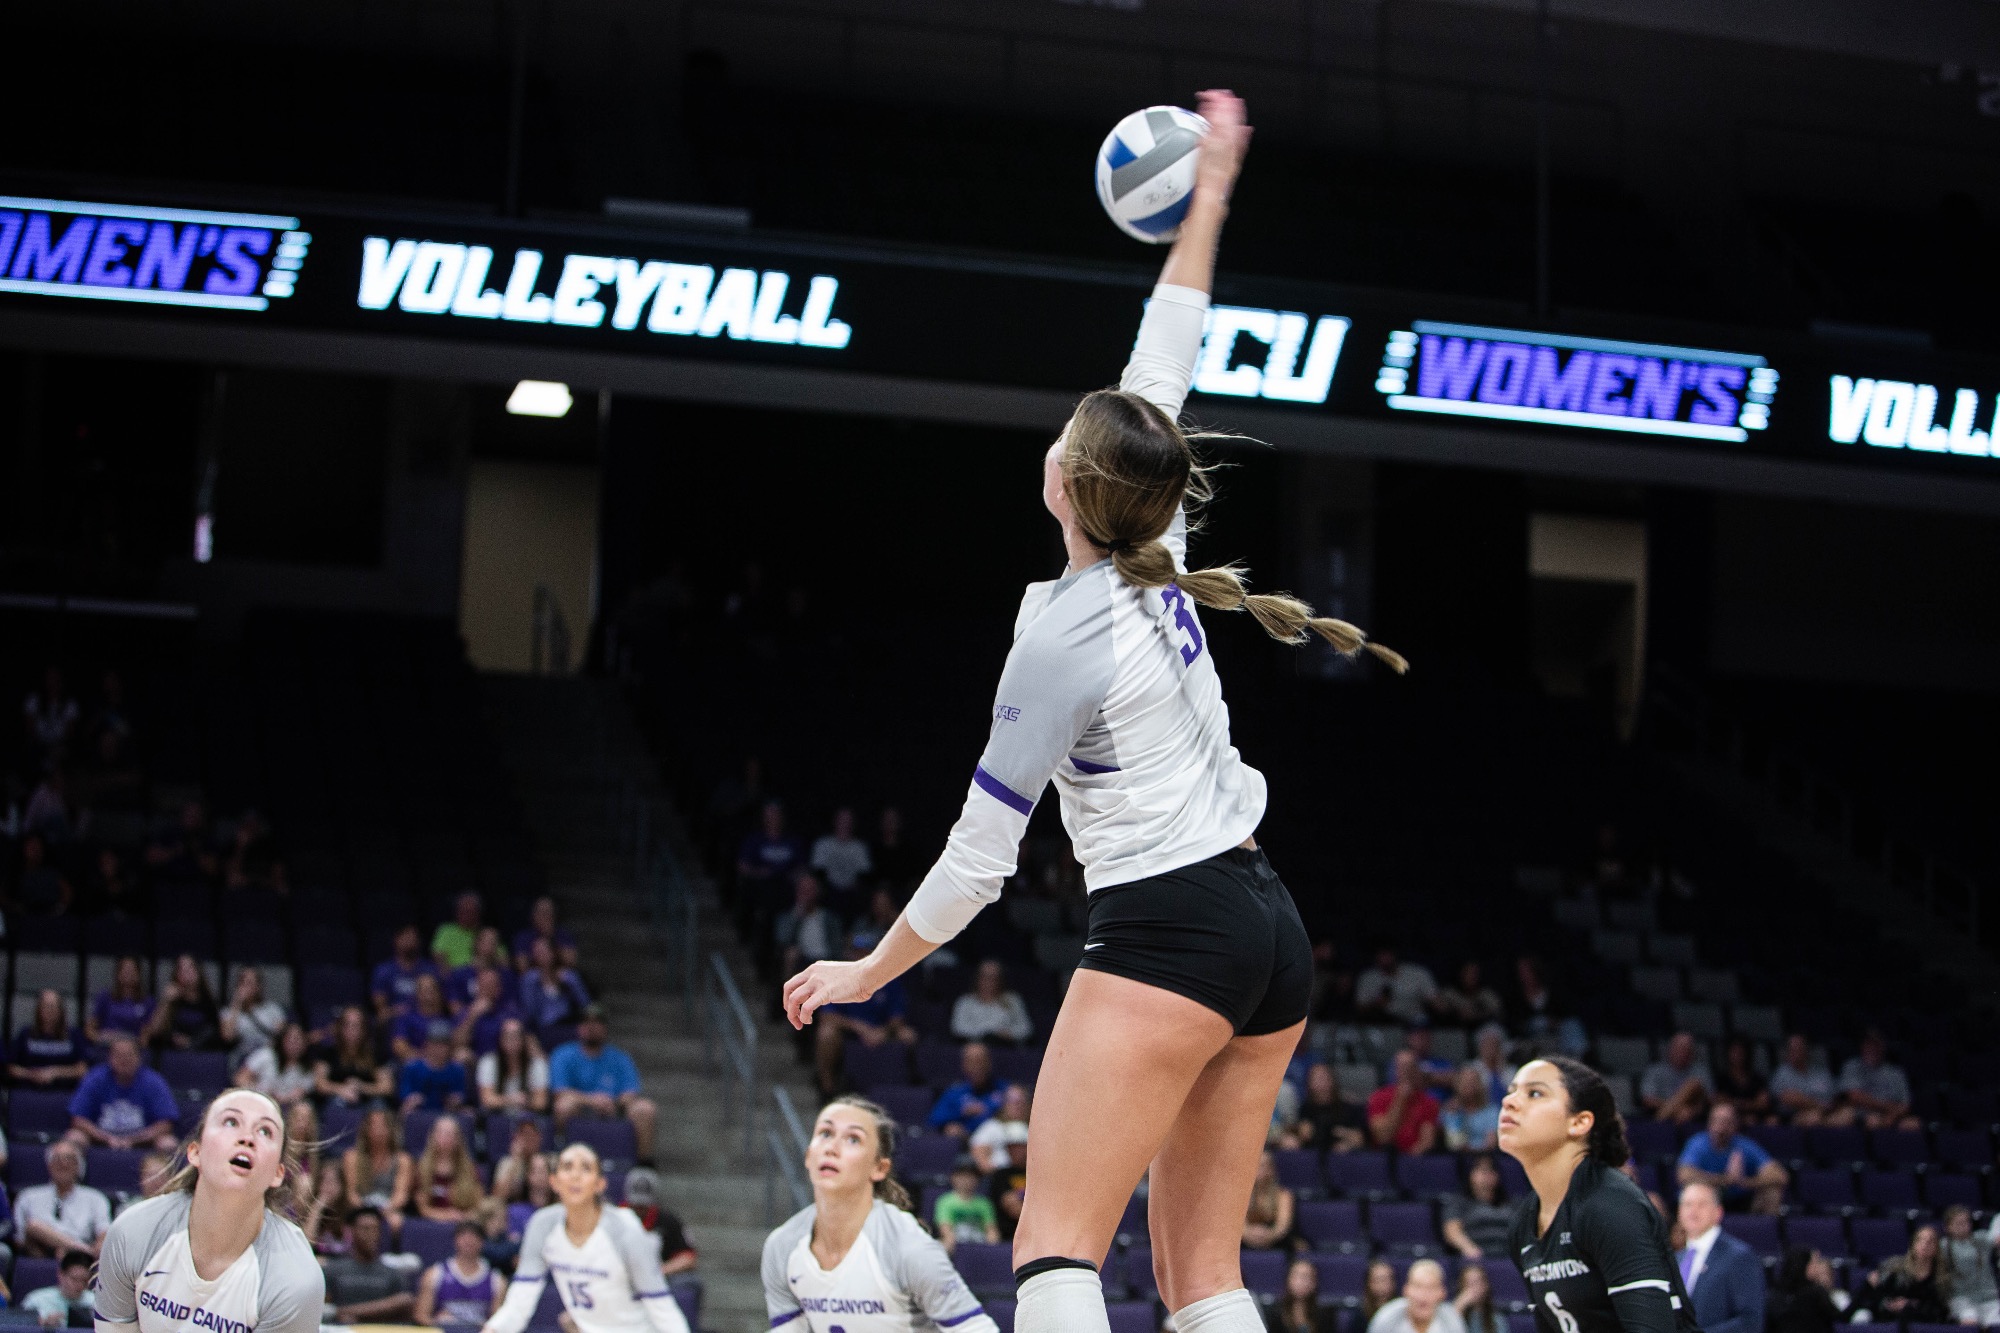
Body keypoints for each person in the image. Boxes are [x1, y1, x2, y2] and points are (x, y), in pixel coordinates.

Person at [781, 97, 1405, 1333]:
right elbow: (1168, 341)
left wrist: (866, 967)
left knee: (1056, 1250)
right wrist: (1213, 189)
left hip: (1168, 927)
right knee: (1201, 1278)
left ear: (1063, 480)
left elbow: (976, 861)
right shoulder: (1158, 531)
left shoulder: (1059, 630)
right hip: (1264, 921)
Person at [91, 1088, 323, 1333]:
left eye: (265, 1131)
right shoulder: (134, 1232)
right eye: (231, 1122)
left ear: (278, 1174)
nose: (247, 1137)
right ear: (195, 1152)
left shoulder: (294, 1277)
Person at [760, 1097, 997, 1333]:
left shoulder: (907, 1246)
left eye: (853, 1139)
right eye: (825, 1133)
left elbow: (975, 1327)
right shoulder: (782, 1245)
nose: (832, 1148)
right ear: (808, 1155)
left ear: (879, 1168)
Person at [1498, 1056, 1699, 1333]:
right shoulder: (1523, 1224)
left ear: (1579, 1123)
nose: (1509, 1102)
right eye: (1511, 1091)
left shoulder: (1610, 1204)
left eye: (1534, 1093)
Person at [478, 1142, 692, 1333]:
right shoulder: (542, 1225)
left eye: (586, 1168)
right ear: (554, 1182)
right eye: (567, 1167)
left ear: (600, 1184)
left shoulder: (625, 1230)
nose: (575, 1175)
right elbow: (519, 1302)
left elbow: (661, 1306)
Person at [810, 931, 918, 1098]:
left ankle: (908, 1087)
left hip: (880, 1031)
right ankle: (827, 1088)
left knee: (908, 1035)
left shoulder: (889, 979)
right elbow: (827, 1016)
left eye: (865, 951)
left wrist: (883, 1031)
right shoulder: (839, 979)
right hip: (850, 1032)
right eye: (857, 951)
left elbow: (897, 1018)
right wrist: (860, 1028)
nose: (860, 956)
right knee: (826, 1033)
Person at [548, 1007, 657, 1164]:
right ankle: (560, 1157)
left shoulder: (620, 1058)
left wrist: (614, 1102)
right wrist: (592, 1101)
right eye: (586, 1022)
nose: (591, 1027)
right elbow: (560, 1091)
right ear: (579, 1028)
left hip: (613, 1110)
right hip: (580, 1109)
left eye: (597, 1023)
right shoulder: (563, 1054)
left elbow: (630, 1092)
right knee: (563, 1105)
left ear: (604, 1028)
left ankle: (643, 1166)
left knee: (645, 1108)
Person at [1674, 1182, 1765, 1333]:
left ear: (1718, 1212)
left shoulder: (1739, 1257)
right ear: (1679, 1213)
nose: (1693, 1210)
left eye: (1702, 1204)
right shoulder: (1676, 1259)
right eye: (1687, 1204)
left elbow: (1750, 1322)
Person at [67, 1034, 179, 1152]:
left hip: (143, 1141)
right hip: (100, 1138)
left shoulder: (153, 1081)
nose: (124, 1060)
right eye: (118, 1055)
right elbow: (78, 1119)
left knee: (168, 1143)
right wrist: (106, 1138)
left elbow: (165, 1124)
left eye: (129, 1055)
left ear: (139, 1057)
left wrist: (133, 1140)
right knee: (74, 1137)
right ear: (110, 1057)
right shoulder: (95, 1078)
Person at [1675, 1103, 1788, 1215]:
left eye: (1726, 1122)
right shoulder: (1697, 1143)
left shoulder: (1745, 1145)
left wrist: (1745, 1182)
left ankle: (1763, 1230)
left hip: (1740, 1199)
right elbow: (1684, 1175)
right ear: (1709, 1123)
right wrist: (1724, 1180)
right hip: (1709, 1199)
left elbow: (1780, 1176)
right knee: (1691, 1192)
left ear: (1735, 1125)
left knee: (1772, 1192)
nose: (1720, 1127)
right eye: (1716, 1121)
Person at [15, 1140, 111, 1257]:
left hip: (79, 1262)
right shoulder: (28, 1196)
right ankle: (81, 1249)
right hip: (40, 1255)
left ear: (79, 1166)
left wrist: (97, 1249)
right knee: (33, 1226)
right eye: (57, 1159)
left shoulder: (95, 1198)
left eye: (69, 1159)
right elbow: (19, 1239)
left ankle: (79, 1251)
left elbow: (104, 1232)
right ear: (49, 1165)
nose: (63, 1164)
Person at [324, 1206, 418, 1323]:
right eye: (365, 1228)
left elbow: (405, 1303)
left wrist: (349, 1312)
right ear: (352, 1231)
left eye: (376, 1229)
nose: (371, 1234)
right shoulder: (334, 1269)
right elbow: (323, 1307)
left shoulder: (392, 1273)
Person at [418, 1220, 506, 1326]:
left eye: (474, 1236)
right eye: (464, 1236)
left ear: (482, 1242)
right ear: (455, 1240)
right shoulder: (434, 1274)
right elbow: (421, 1316)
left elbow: (497, 1321)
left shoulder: (496, 1280)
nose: (469, 1241)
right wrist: (439, 1324)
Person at [342, 1105, 415, 1230]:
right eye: (374, 1125)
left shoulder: (403, 1160)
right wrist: (367, 1211)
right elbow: (352, 1194)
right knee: (363, 1222)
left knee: (397, 1222)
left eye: (383, 1125)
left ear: (391, 1129)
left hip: (388, 1209)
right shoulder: (352, 1157)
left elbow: (401, 1196)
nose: (378, 1130)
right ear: (366, 1128)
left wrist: (382, 1211)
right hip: (360, 1209)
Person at [1831, 1029, 1918, 1129]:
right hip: (1859, 1115)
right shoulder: (1852, 1066)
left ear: (1883, 1047)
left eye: (1876, 1045)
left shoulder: (1896, 1073)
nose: (1872, 1049)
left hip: (1891, 1115)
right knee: (1867, 1119)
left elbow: (1905, 1104)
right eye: (1868, 1044)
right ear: (1862, 1046)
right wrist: (1887, 1107)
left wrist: (1892, 1115)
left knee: (1913, 1124)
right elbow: (1853, 1096)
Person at [923, 1042, 1012, 1139]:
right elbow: (932, 1121)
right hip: (963, 1144)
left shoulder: (1005, 1090)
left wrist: (991, 1111)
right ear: (964, 1065)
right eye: (971, 1061)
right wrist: (961, 1113)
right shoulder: (955, 1092)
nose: (976, 1066)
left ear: (989, 1063)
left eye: (980, 1061)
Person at [1865, 1223, 1950, 1324]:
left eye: (1930, 1241)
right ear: (1913, 1244)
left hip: (1925, 1320)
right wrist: (1891, 1304)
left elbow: (1940, 1308)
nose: (1925, 1245)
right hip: (1894, 1317)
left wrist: (1911, 1304)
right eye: (1920, 1240)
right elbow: (1883, 1297)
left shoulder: (1941, 1275)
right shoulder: (1897, 1269)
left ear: (1937, 1247)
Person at [620, 1169, 698, 1274]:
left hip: (661, 1276)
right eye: (636, 1205)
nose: (639, 1209)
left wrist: (659, 1272)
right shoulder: (614, 1218)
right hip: (621, 1275)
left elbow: (688, 1257)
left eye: (643, 1206)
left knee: (690, 1282)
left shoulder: (668, 1220)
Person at [313, 1004, 394, 1104]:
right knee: (334, 1102)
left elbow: (387, 1087)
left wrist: (361, 1087)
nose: (350, 1030)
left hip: (368, 1103)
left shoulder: (375, 1054)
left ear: (363, 1029)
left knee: (379, 1104)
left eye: (355, 1025)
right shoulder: (327, 1053)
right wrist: (341, 1089)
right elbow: (319, 1084)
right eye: (346, 1025)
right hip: (337, 1100)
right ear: (340, 1027)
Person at [9, 989, 89, 1089]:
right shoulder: (25, 1034)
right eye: (45, 1006)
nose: (49, 1011)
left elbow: (82, 1069)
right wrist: (31, 1075)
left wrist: (55, 1072)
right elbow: (12, 1068)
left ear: (60, 1010)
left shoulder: (74, 1035)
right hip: (29, 1091)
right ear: (39, 1009)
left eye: (53, 1007)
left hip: (63, 1092)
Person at [1369, 1050, 1442, 1154]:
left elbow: (1427, 1142)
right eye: (1402, 1067)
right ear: (1395, 1070)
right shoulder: (1379, 1097)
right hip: (1384, 1159)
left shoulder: (1429, 1102)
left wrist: (1407, 1163)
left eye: (1410, 1067)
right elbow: (1383, 1137)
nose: (1406, 1072)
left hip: (1414, 1160)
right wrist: (1401, 1099)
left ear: (1417, 1070)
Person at [1443, 1154, 1515, 1259]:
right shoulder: (1458, 1203)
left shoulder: (1512, 1204)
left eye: (1491, 1171)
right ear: (1470, 1175)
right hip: (1475, 1257)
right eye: (1481, 1170)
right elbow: (1452, 1231)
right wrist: (1469, 1249)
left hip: (1508, 1256)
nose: (1486, 1176)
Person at [416, 1115, 485, 1222]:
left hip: (463, 1223)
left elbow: (478, 1204)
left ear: (458, 1139)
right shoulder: (422, 1168)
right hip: (433, 1223)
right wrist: (446, 1215)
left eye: (450, 1134)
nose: (445, 1137)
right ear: (432, 1136)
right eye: (441, 1132)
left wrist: (464, 1217)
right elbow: (423, 1208)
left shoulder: (470, 1168)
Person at [1368, 1260, 1467, 1333]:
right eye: (1418, 1286)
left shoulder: (1452, 1321)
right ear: (1406, 1290)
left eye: (1431, 1288)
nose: (1423, 1295)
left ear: (1442, 1293)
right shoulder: (1386, 1318)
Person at [951, 960, 1035, 1046]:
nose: (988, 981)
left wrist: (1009, 1034)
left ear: (1000, 980)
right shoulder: (965, 1001)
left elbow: (1026, 1028)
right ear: (977, 978)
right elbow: (958, 1028)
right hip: (976, 1047)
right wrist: (989, 1032)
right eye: (984, 977)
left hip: (1007, 1046)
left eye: (993, 978)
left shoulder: (1012, 1000)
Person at [518, 937, 591, 1036]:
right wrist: (536, 984)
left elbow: (585, 1003)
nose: (540, 955)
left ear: (553, 952)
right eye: (536, 952)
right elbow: (530, 1011)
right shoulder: (529, 979)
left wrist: (569, 983)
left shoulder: (569, 975)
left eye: (543, 950)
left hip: (569, 1025)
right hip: (544, 1028)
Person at [1941, 1205, 2000, 1326]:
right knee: (1970, 1324)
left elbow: (1996, 1240)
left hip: (1989, 1297)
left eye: (1966, 1222)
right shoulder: (1943, 1245)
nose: (1963, 1226)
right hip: (1961, 1298)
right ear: (1948, 1227)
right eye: (1958, 1223)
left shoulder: (1981, 1239)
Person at [1285, 1063, 1364, 1153]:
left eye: (1324, 1077)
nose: (1321, 1082)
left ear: (1333, 1080)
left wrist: (1346, 1136)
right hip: (1312, 1156)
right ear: (1309, 1082)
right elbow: (1297, 1133)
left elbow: (1360, 1139)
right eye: (1316, 1078)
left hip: (1343, 1158)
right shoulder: (1305, 1109)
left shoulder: (1349, 1108)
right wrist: (1301, 1133)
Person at [219, 966, 288, 1070]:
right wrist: (237, 1003)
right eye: (243, 983)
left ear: (258, 986)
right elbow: (228, 1036)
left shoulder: (272, 1009)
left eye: (250, 983)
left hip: (269, 1055)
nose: (246, 987)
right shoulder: (228, 1012)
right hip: (243, 1056)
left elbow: (283, 1036)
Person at [478, 1017, 550, 1113]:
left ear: (524, 1039)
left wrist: (526, 1101)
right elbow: (487, 1099)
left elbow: (541, 1102)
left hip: (528, 1117)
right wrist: (512, 1100)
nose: (511, 1041)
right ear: (500, 1039)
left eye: (516, 1036)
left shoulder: (537, 1064)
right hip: (498, 1116)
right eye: (507, 1036)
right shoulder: (488, 1062)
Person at [373, 924, 442, 1024]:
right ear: (396, 940)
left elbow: (439, 1005)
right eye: (406, 937)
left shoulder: (429, 969)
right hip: (395, 1020)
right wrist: (398, 1011)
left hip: (425, 1020)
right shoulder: (384, 971)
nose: (410, 941)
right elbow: (381, 1009)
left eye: (413, 937)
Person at [1356, 945, 1440, 1027]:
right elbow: (1360, 1007)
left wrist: (1443, 1004)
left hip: (1414, 1021)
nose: (1385, 958)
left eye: (1387, 954)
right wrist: (1376, 1004)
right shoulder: (1368, 977)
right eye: (1381, 954)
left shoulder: (1418, 973)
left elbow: (1434, 1000)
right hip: (1382, 1022)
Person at [775, 873, 840, 979]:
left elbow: (837, 944)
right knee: (790, 955)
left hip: (826, 960)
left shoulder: (828, 918)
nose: (805, 894)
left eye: (809, 890)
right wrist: (798, 918)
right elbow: (783, 940)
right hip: (803, 960)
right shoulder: (788, 917)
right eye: (802, 890)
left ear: (818, 892)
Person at [237, 1021, 316, 1107]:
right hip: (257, 1102)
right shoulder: (266, 1055)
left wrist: (279, 1099)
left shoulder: (307, 1069)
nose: (294, 1044)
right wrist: (258, 1092)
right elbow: (241, 1078)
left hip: (286, 1109)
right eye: (290, 1039)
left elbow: (299, 1094)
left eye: (298, 1040)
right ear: (282, 1040)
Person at [1639, 1033, 1712, 1126]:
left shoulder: (1700, 1071)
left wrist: (1691, 1111)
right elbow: (1648, 1100)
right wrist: (1678, 1109)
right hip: (1662, 1117)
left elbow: (1709, 1099)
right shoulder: (1655, 1070)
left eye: (1687, 1049)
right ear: (1670, 1050)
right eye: (1679, 1048)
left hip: (1693, 1117)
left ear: (1692, 1053)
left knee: (1694, 1084)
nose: (1682, 1053)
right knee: (1692, 1085)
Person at [1765, 1249, 1841, 1333]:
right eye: (1814, 1263)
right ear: (1804, 1265)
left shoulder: (1816, 1292)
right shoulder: (1814, 1293)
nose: (1817, 1268)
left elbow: (1838, 1318)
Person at [1767, 1035, 1837, 1126]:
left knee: (1845, 1116)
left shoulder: (1821, 1073)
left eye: (1799, 1048)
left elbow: (1833, 1098)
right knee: (1814, 1118)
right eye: (1792, 1049)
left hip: (1827, 1114)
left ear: (1807, 1050)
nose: (1796, 1052)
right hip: (1792, 1117)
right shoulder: (1782, 1073)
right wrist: (1819, 1106)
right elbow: (1789, 1098)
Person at [809, 808, 874, 904]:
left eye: (848, 820)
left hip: (853, 894)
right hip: (827, 893)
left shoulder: (860, 847)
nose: (845, 823)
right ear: (835, 821)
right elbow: (818, 872)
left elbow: (864, 874)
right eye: (842, 820)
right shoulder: (823, 844)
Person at [936, 1162, 1002, 1252]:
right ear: (953, 1178)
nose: (966, 1180)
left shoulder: (984, 1203)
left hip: (980, 1244)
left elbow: (991, 1229)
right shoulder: (945, 1201)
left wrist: (992, 1248)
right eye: (962, 1176)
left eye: (970, 1177)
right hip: (955, 1244)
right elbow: (945, 1228)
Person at [87, 956, 154, 1044]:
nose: (128, 973)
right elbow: (89, 1029)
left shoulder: (148, 1002)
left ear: (138, 974)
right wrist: (100, 1039)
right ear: (118, 974)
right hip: (106, 1046)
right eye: (125, 970)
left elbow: (146, 1035)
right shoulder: (105, 997)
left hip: (132, 1048)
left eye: (132, 970)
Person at [393, 973, 456, 1063]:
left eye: (433, 989)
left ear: (439, 993)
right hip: (414, 1063)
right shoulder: (406, 1017)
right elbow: (399, 1045)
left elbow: (455, 1044)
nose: (429, 994)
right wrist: (424, 1061)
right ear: (417, 994)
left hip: (443, 1064)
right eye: (425, 990)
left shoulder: (447, 1018)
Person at [969, 1084, 1032, 1174]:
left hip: (1029, 1177)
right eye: (1012, 1101)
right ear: (1004, 1104)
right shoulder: (992, 1127)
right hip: (999, 1177)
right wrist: (995, 1175)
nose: (1017, 1105)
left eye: (1021, 1101)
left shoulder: (1035, 1129)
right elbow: (979, 1153)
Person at [21, 1249, 94, 1327]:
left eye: (85, 1280)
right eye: (74, 1279)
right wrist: (43, 1328)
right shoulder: (36, 1300)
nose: (80, 1285)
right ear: (61, 1275)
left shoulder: (95, 1302)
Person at [1266, 1257, 1339, 1333]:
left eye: (1306, 1277)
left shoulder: (1326, 1312)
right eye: (1297, 1276)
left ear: (1314, 1283)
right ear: (1288, 1280)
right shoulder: (1274, 1312)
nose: (1301, 1282)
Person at [1242, 1151, 1295, 1251]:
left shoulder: (1283, 1194)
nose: (1257, 1169)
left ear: (1271, 1169)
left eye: (1262, 1165)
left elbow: (1282, 1226)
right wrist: (1249, 1234)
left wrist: (1268, 1235)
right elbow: (1237, 1226)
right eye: (1254, 1164)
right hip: (1245, 1242)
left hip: (1276, 1243)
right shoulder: (1241, 1194)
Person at [511, 897, 579, 975]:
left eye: (548, 912)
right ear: (533, 915)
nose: (545, 916)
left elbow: (571, 961)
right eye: (541, 912)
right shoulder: (523, 937)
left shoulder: (563, 934)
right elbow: (522, 966)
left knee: (571, 976)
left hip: (559, 975)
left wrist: (549, 937)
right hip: (534, 976)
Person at [1441, 1065, 1500, 1152]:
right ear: (1458, 1085)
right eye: (1465, 1082)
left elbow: (1491, 1144)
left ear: (1480, 1085)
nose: (1469, 1086)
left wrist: (1471, 1150)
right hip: (1458, 1158)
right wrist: (1454, 1116)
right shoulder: (1451, 1110)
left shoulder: (1491, 1111)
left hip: (1485, 1157)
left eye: (1473, 1081)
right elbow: (1455, 1143)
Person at [1710, 1037, 1769, 1122]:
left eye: (1740, 1052)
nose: (1737, 1056)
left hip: (1753, 1117)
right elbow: (1717, 1101)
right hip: (1727, 1118)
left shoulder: (1757, 1079)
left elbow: (1763, 1103)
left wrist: (1738, 1103)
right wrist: (1746, 1103)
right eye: (1734, 1052)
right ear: (1728, 1054)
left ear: (1746, 1054)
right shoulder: (1722, 1079)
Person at [303, 1159, 354, 1256]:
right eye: (323, 1181)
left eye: (331, 1181)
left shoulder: (350, 1212)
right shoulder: (310, 1211)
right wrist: (317, 1208)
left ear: (342, 1185)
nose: (327, 1186)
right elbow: (306, 1245)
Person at [432, 892, 487, 973]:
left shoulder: (485, 933)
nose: (465, 915)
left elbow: (503, 959)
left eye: (469, 911)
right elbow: (437, 955)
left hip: (481, 975)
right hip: (453, 975)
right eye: (462, 911)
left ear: (477, 913)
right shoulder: (446, 930)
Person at [1437, 962, 1504, 1027]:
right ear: (1460, 974)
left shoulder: (1487, 994)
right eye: (1468, 973)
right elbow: (1440, 1011)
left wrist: (1477, 1015)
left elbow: (1498, 1014)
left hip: (1482, 1029)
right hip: (1454, 1029)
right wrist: (1456, 1013)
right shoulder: (1449, 993)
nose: (1472, 977)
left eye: (1474, 973)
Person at [1455, 1266, 1502, 1333]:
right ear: (1461, 1287)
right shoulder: (1454, 1311)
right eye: (1469, 1283)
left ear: (1486, 1286)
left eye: (1477, 1282)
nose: (1474, 1289)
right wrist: (1459, 1307)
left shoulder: (1496, 1318)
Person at [1362, 1261, 1398, 1327]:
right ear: (1368, 1283)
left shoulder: (1402, 1313)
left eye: (1385, 1280)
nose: (1381, 1285)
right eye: (1377, 1280)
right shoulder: (1359, 1316)